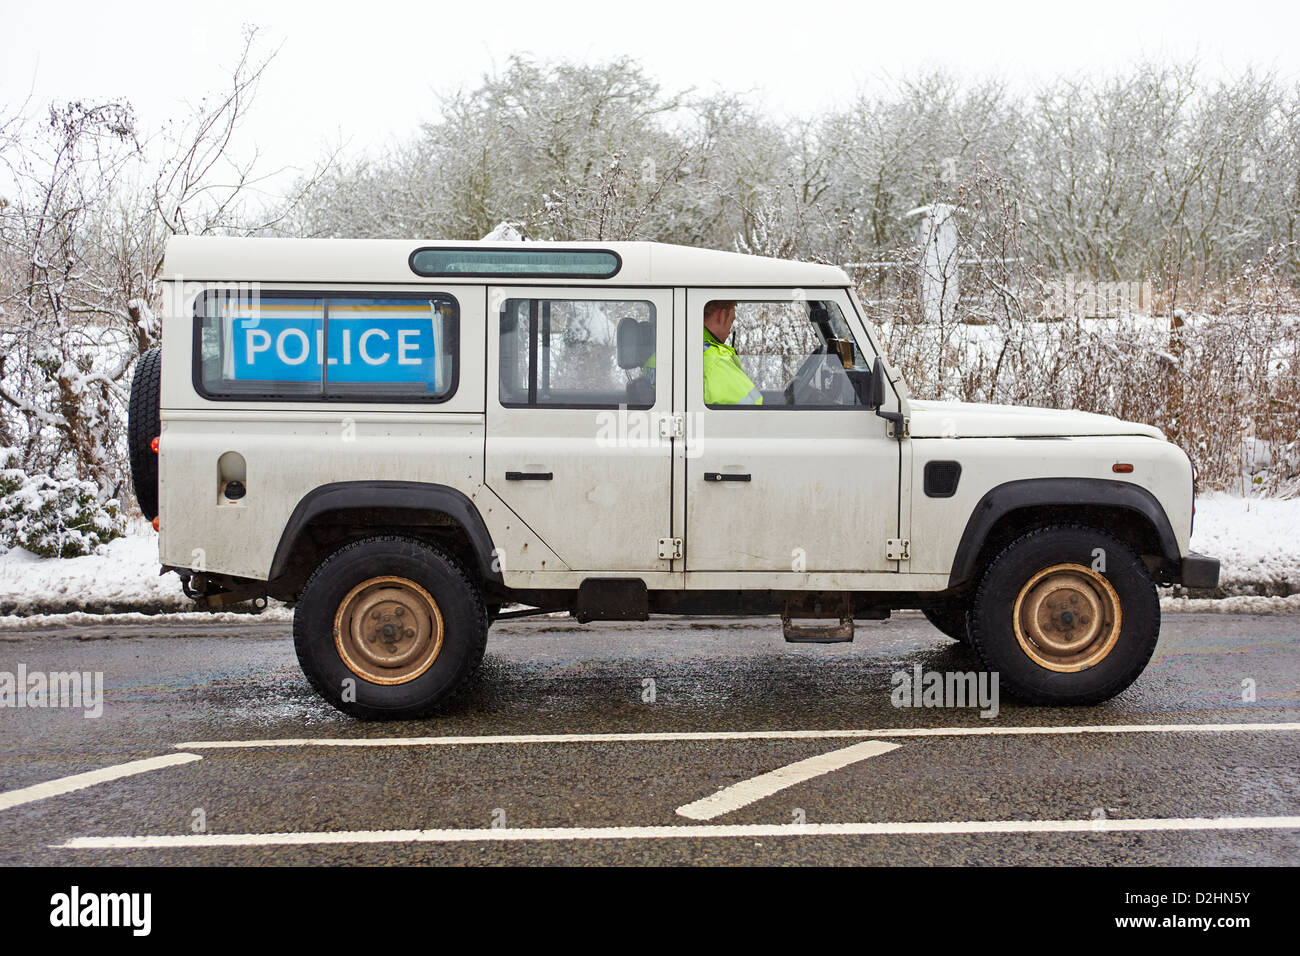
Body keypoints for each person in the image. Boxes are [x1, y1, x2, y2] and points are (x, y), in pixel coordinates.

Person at [702, 300, 763, 406]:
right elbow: (753, 407)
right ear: (722, 316)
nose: (730, 330)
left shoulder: (694, 347)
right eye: (731, 321)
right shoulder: (716, 361)